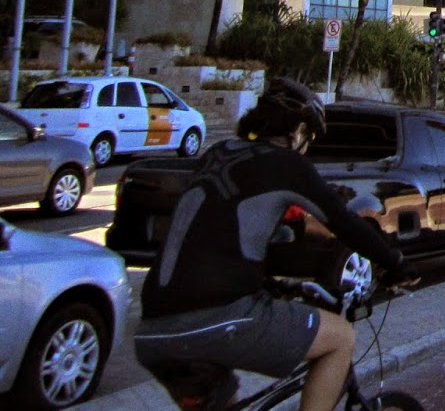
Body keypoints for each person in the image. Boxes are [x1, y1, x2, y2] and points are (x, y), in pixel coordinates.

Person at [135, 78, 415, 411]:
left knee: (224, 399)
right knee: (340, 338)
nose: (307, 145)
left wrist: (269, 284)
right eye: (309, 136)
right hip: (218, 320)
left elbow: (217, 239)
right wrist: (395, 264)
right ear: (297, 130)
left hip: (152, 331)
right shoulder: (286, 165)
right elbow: (344, 222)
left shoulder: (219, 153)